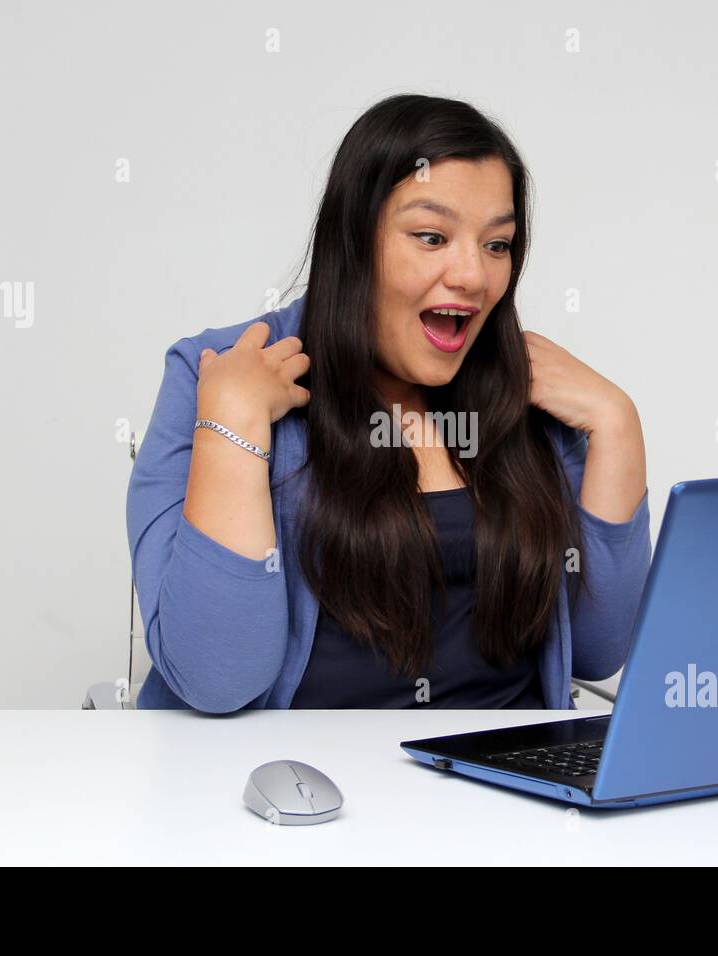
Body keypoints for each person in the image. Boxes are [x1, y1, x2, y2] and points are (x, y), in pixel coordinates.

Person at [126, 93, 652, 712]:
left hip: (509, 790)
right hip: (306, 790)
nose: (473, 277)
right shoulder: (214, 374)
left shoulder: (530, 398)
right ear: (353, 242)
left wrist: (619, 425)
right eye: (432, 237)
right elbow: (218, 680)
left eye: (497, 245)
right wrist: (234, 423)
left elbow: (597, 650)